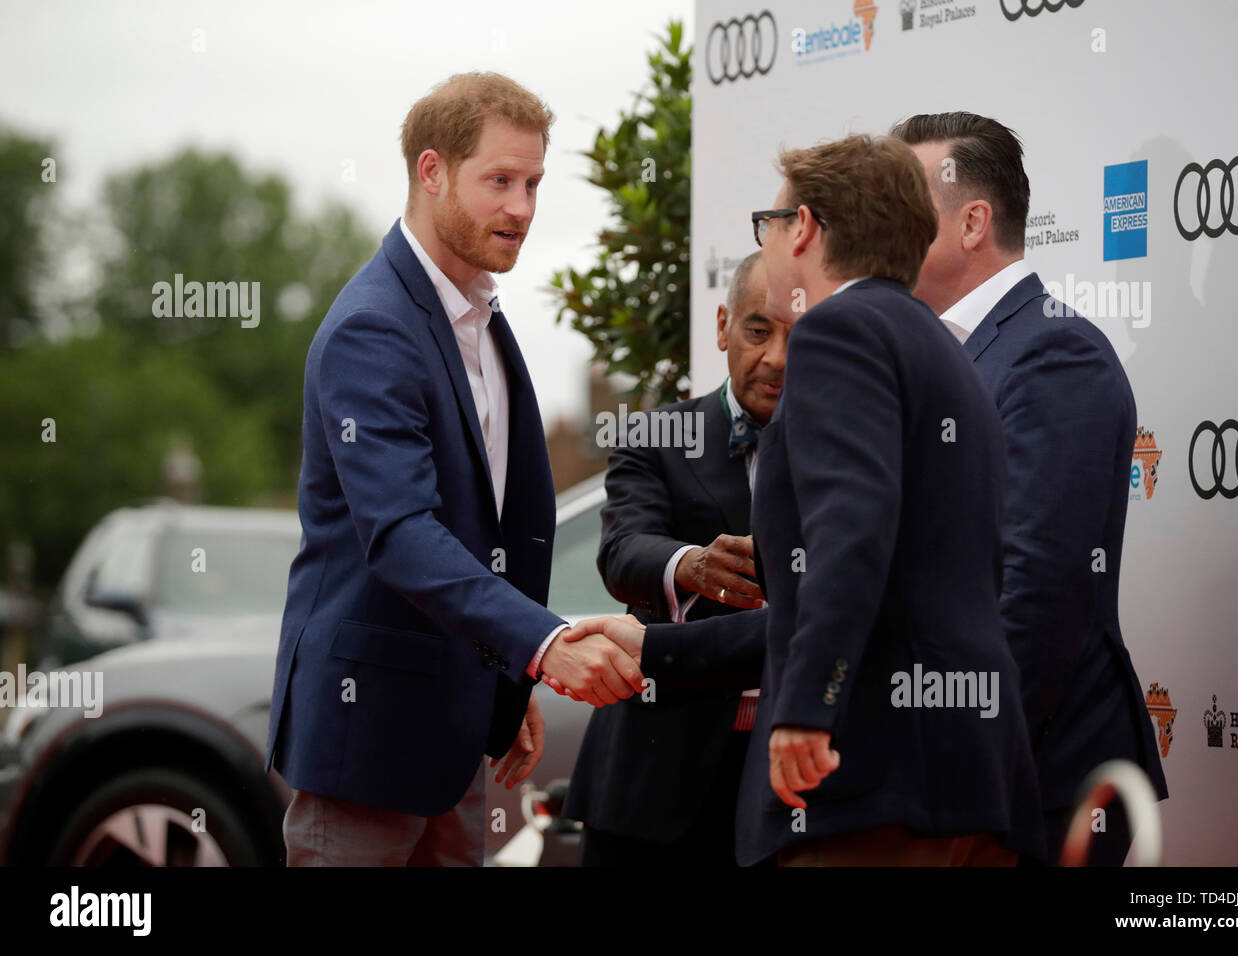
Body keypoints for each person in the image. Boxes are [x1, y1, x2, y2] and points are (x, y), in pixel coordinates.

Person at [563, 133, 1044, 866]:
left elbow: (852, 535)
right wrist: (658, 644)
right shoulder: (943, 349)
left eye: (772, 224)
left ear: (807, 229)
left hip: (868, 779)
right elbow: (876, 589)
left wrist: (807, 707)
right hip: (966, 775)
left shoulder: (839, 330)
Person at [266, 72, 643, 866]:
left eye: (534, 183)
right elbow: (402, 535)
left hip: (457, 735)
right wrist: (543, 644)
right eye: (499, 181)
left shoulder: (479, 318)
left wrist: (506, 685)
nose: (522, 208)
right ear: (431, 171)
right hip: (365, 741)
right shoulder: (373, 327)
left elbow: (493, 527)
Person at [892, 111, 1168, 865]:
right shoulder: (946, 356)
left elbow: (1038, 594)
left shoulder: (1051, 351)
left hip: (1035, 791)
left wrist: (943, 762)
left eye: (901, 203)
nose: (880, 227)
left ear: (972, 221)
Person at [564, 252, 788, 866]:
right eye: (758, 330)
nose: (776, 358)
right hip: (655, 779)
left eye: (798, 334)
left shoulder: (851, 447)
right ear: (722, 326)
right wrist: (689, 563)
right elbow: (622, 550)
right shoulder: (653, 434)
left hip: (798, 781)